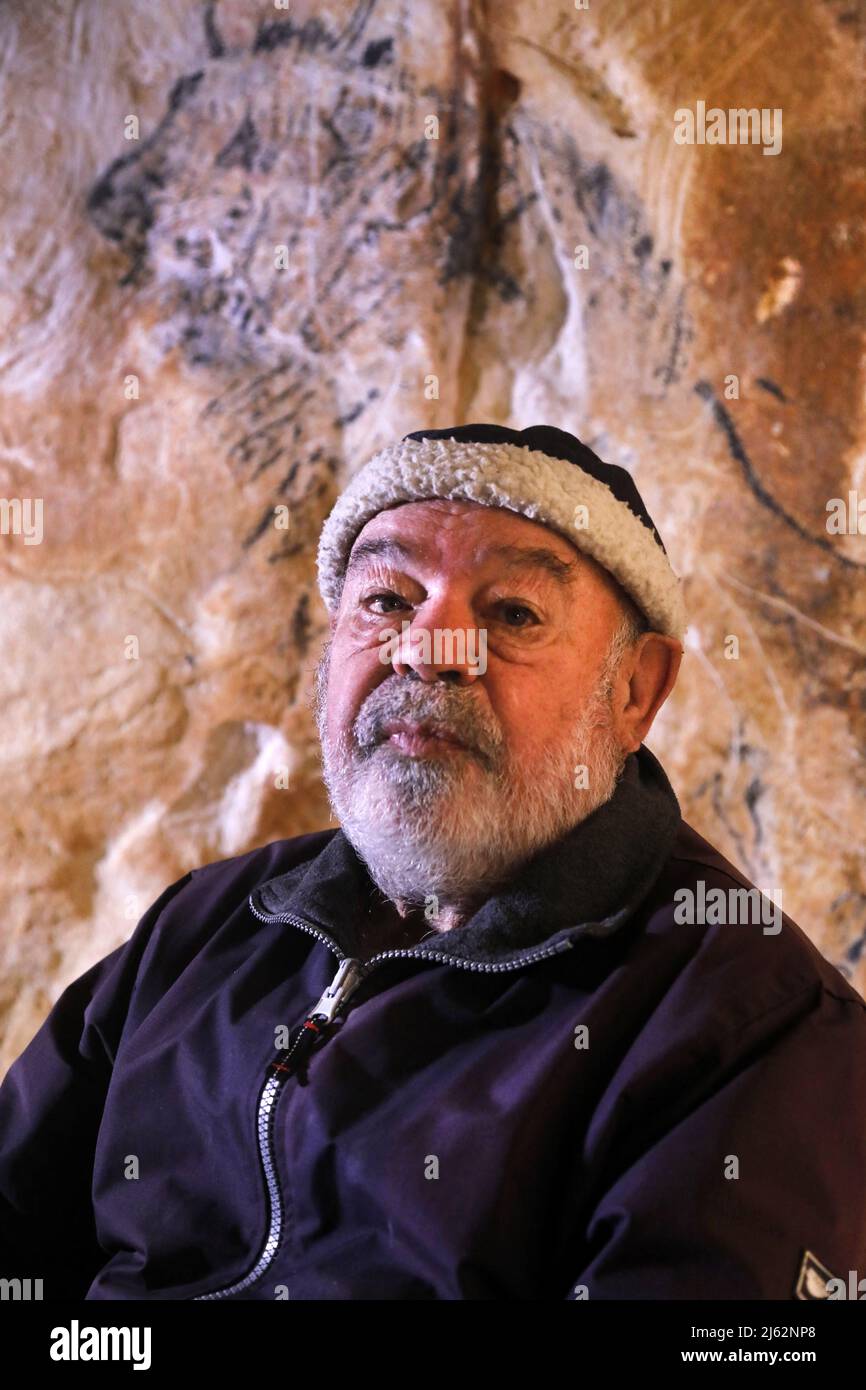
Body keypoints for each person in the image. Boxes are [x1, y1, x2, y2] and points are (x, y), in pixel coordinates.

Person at [1, 422, 864, 1301]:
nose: (427, 649)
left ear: (635, 690)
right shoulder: (209, 925)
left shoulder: (754, 1027)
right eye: (387, 601)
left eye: (513, 614)